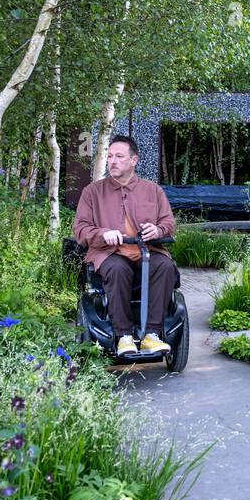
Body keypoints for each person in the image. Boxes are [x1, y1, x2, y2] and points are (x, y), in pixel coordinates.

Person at [72, 134, 180, 354]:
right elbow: (80, 229)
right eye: (110, 156)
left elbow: (169, 223)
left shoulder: (153, 191)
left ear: (134, 160)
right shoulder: (92, 192)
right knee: (118, 268)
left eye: (119, 156)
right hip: (109, 253)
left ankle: (152, 334)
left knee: (165, 266)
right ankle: (123, 336)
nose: (113, 161)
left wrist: (158, 230)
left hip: (146, 250)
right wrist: (103, 234)